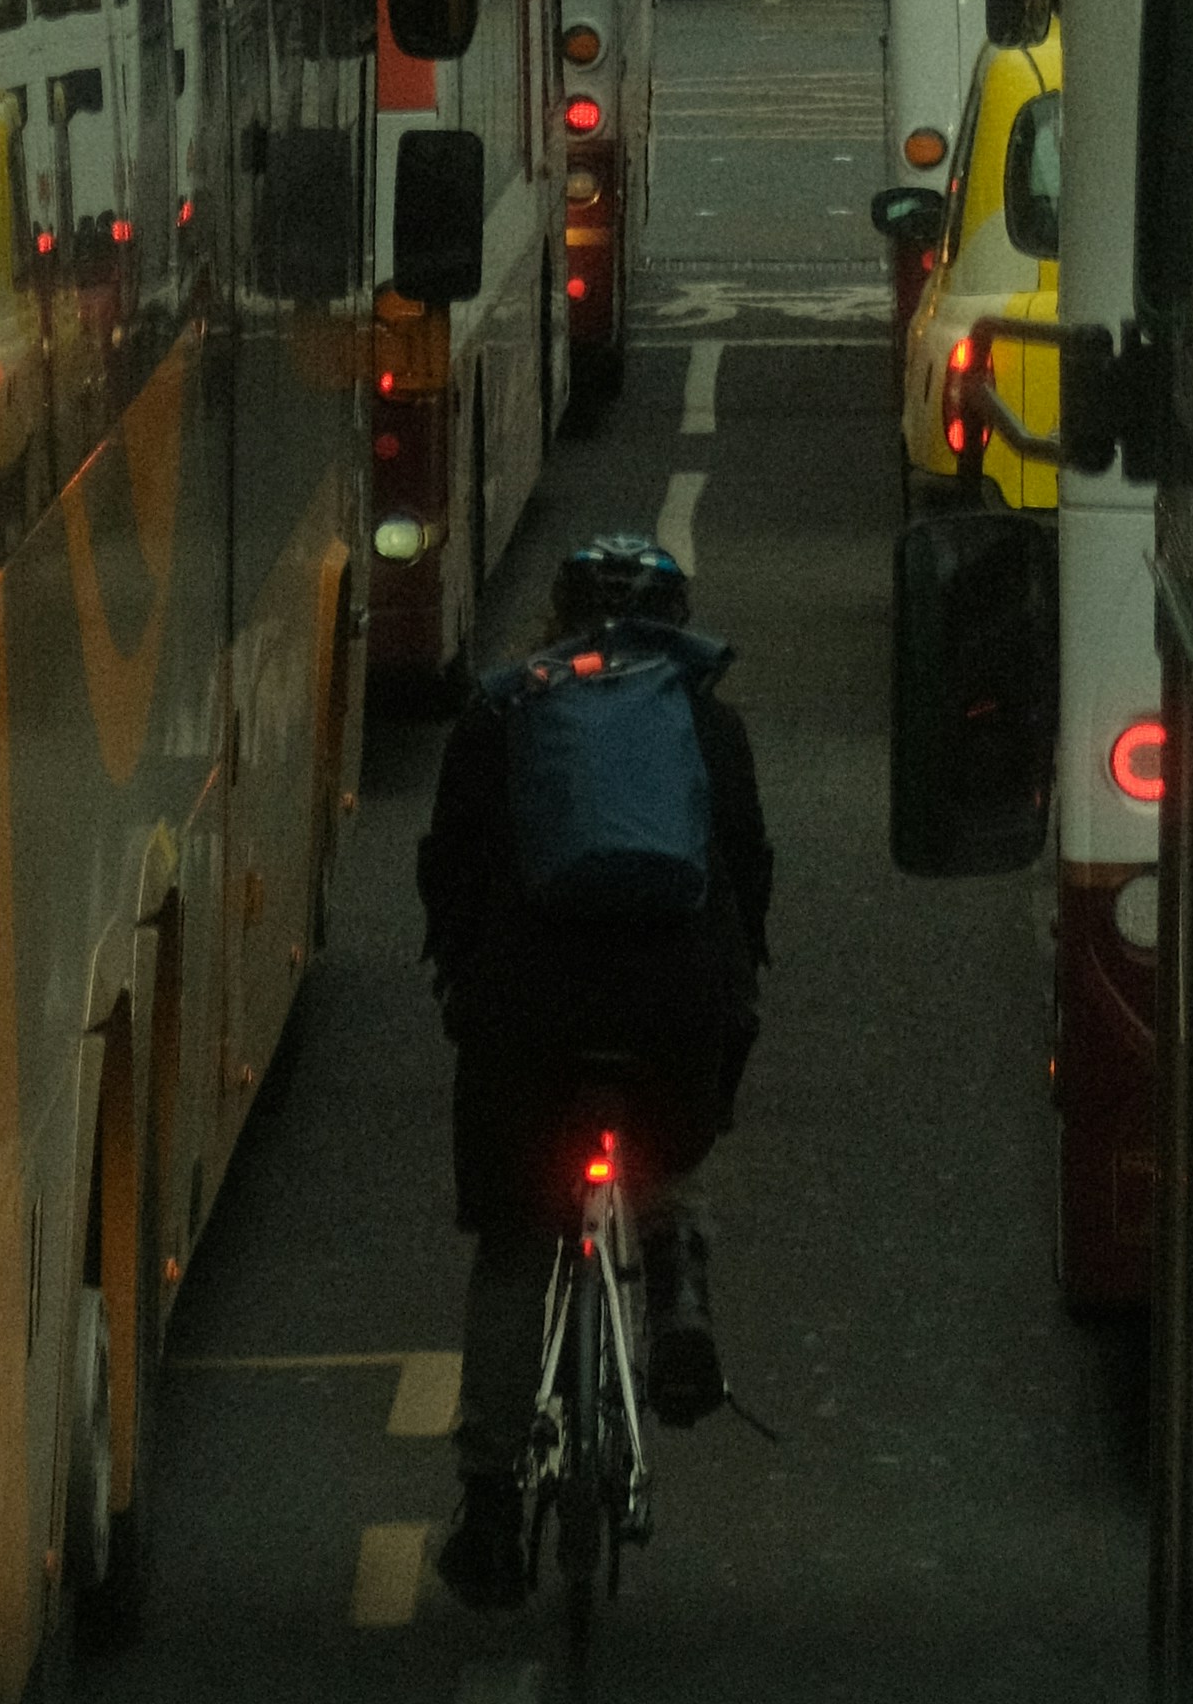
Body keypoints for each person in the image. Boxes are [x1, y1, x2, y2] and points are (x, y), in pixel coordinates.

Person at [418, 530, 774, 1607]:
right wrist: (732, 991)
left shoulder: (498, 711)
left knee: (514, 1241)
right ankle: (676, 1306)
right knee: (670, 1143)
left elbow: (448, 866)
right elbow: (748, 868)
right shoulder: (703, 720)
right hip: (669, 999)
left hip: (528, 1006)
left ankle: (487, 1507)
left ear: (556, 618)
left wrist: (461, 983)